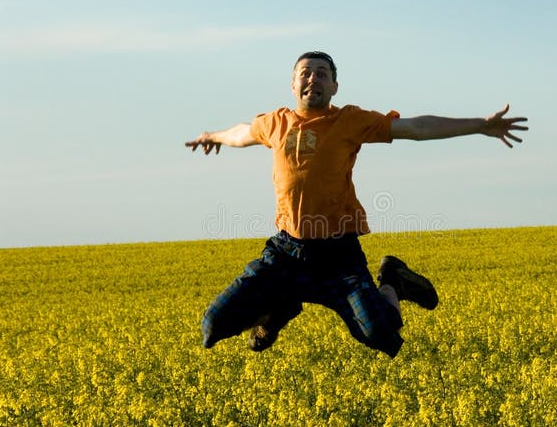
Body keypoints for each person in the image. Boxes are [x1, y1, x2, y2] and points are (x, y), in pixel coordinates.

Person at [186, 51, 528, 358]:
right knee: (212, 328)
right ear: (293, 84)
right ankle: (279, 310)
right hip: (285, 254)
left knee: (382, 334)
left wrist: (480, 125)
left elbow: (417, 127)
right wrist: (211, 136)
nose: (313, 78)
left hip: (338, 258)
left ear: (334, 86)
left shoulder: (349, 121)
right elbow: (240, 133)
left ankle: (393, 280)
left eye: (322, 73)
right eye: (305, 72)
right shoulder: (275, 123)